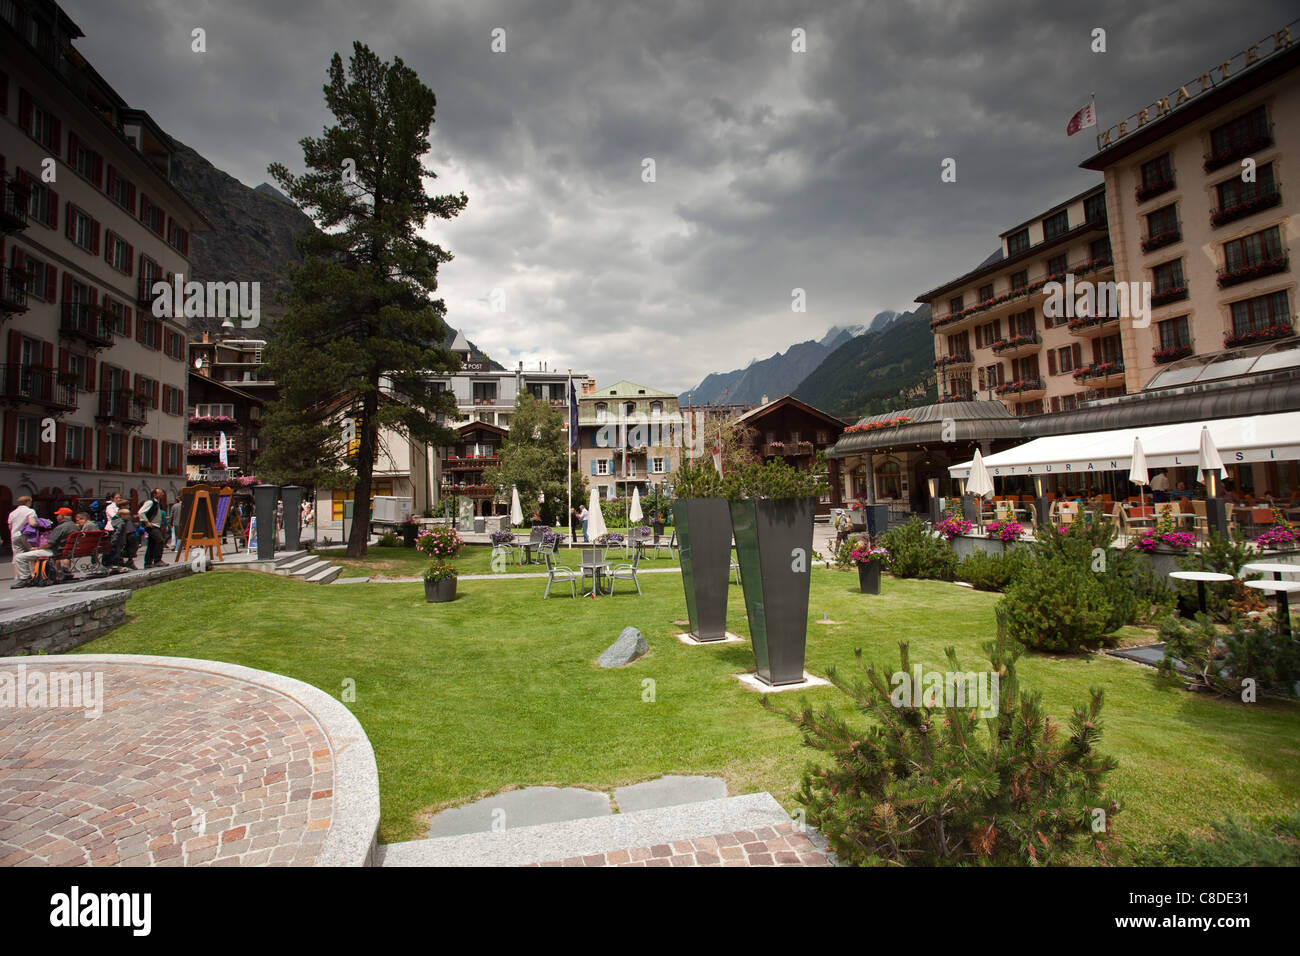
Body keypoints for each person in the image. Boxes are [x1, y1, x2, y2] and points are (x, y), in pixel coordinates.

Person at [7, 495, 40, 586]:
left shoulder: (12, 513)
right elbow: (32, 523)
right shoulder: (30, 511)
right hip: (26, 535)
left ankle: (23, 577)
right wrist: (39, 524)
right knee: (32, 553)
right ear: (27, 502)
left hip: (14, 535)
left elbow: (10, 526)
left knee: (18, 555)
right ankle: (35, 573)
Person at [137, 488, 166, 568]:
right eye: (160, 493)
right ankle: (157, 560)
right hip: (152, 525)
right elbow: (140, 512)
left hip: (156, 525)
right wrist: (146, 522)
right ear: (155, 494)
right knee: (160, 540)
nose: (162, 494)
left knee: (152, 544)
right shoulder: (150, 502)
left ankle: (148, 563)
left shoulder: (157, 503)